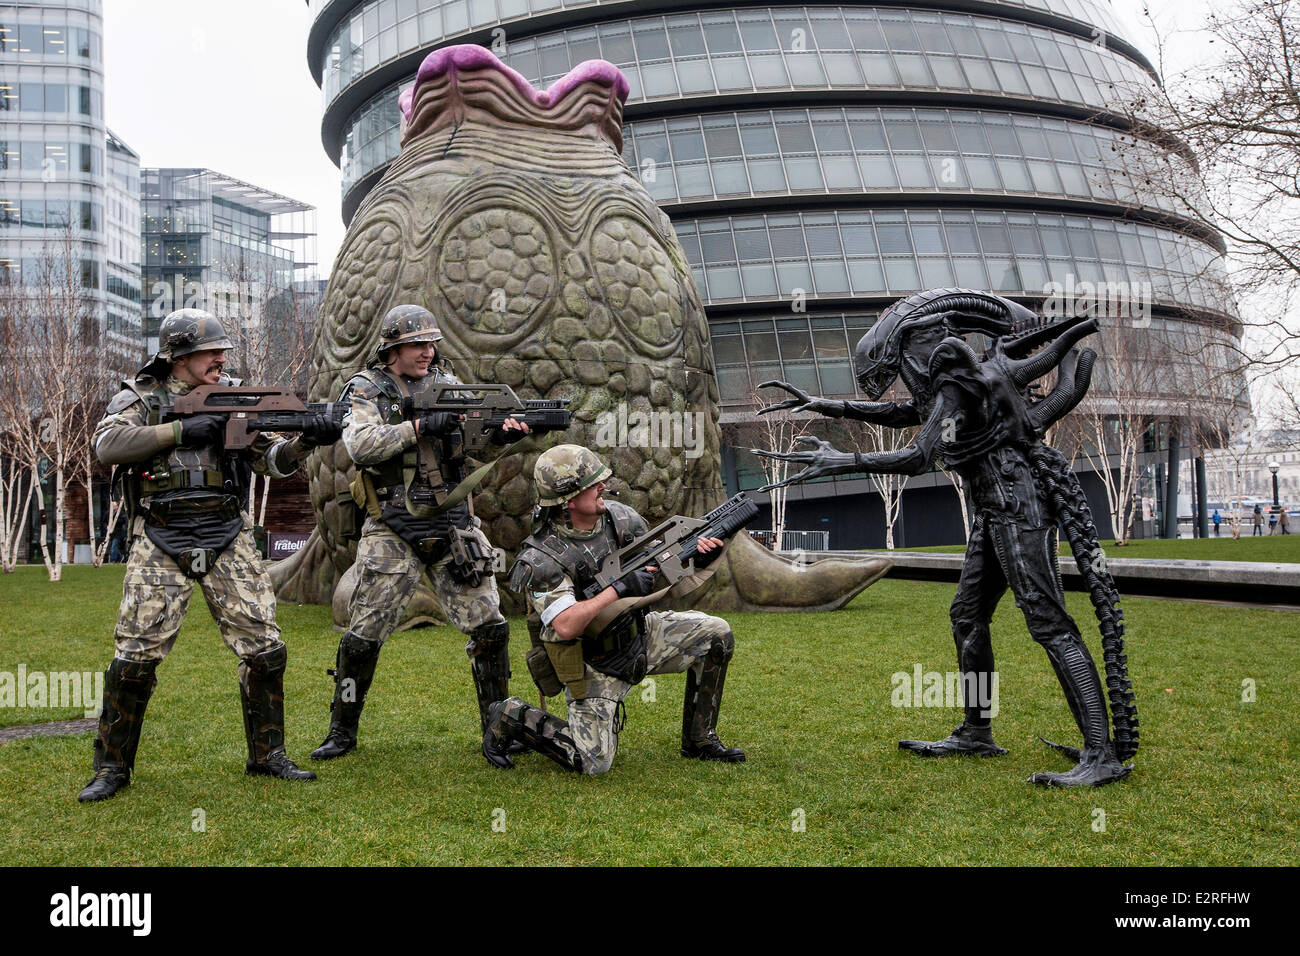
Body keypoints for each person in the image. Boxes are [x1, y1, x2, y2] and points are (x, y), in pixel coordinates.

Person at [79, 309, 338, 802]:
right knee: (135, 656)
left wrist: (307, 441)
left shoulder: (239, 397)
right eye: (211, 352)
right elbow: (107, 444)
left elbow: (272, 461)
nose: (222, 359)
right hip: (160, 533)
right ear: (178, 357)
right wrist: (178, 433)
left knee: (264, 646)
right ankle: (111, 769)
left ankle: (267, 755)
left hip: (226, 532)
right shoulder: (140, 397)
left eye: (223, 352)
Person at [311, 305, 529, 761]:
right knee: (364, 633)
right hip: (392, 524)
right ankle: (341, 731)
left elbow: (470, 449)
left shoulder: (448, 386)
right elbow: (362, 446)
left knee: (490, 627)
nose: (428, 352)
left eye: (432, 344)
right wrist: (417, 426)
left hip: (452, 524)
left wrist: (499, 437)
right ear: (392, 350)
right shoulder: (367, 389)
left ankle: (497, 731)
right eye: (418, 344)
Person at [482, 444, 745, 774]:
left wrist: (696, 558)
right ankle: (512, 715)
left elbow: (658, 567)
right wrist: (617, 589)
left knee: (716, 634)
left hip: (638, 636)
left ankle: (699, 738)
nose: (602, 487)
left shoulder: (621, 519)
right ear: (569, 499)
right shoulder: (541, 559)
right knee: (592, 761)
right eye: (593, 484)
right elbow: (565, 624)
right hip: (593, 662)